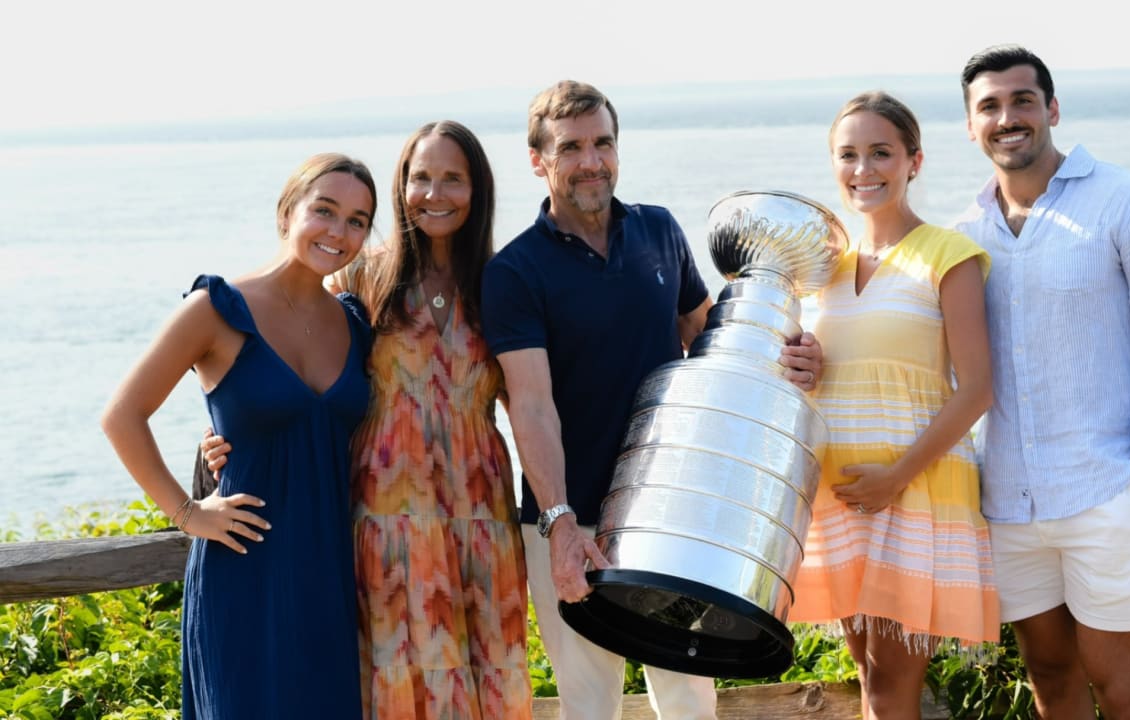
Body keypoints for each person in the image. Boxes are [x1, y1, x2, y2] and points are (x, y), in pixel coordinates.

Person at [480, 80, 821, 720]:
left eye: (603, 143)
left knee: (689, 694)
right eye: (571, 147)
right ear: (538, 160)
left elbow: (709, 340)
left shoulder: (659, 231)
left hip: (671, 520)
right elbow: (530, 405)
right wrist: (556, 526)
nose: (591, 161)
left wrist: (795, 354)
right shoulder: (514, 271)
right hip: (571, 519)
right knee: (588, 701)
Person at [202, 121, 532, 719]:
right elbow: (288, 370)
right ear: (401, 187)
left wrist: (559, 513)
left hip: (481, 521)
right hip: (384, 522)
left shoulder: (502, 283)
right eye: (420, 177)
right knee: (392, 687)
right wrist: (219, 439)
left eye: (452, 179)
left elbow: (530, 405)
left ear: (477, 189)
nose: (435, 193)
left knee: (489, 686)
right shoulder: (362, 278)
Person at [953, 45, 1130, 719]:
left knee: (1123, 694)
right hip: (1009, 503)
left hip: (1108, 496)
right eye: (989, 106)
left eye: (1022, 101)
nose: (1007, 117)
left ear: (1052, 109)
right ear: (970, 124)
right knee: (1049, 682)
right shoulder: (966, 232)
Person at [101, 152, 378, 718]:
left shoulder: (354, 321)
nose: (339, 231)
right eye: (324, 210)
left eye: (357, 220)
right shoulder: (216, 308)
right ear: (287, 212)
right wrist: (187, 512)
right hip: (243, 567)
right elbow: (122, 415)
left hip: (328, 574)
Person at [789, 91, 1000, 719]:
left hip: (914, 495)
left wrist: (896, 478)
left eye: (881, 152)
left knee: (889, 689)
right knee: (866, 678)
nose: (864, 169)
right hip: (838, 497)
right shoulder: (822, 271)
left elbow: (978, 388)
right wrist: (806, 367)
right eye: (849, 154)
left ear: (914, 161)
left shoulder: (948, 255)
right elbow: (823, 377)